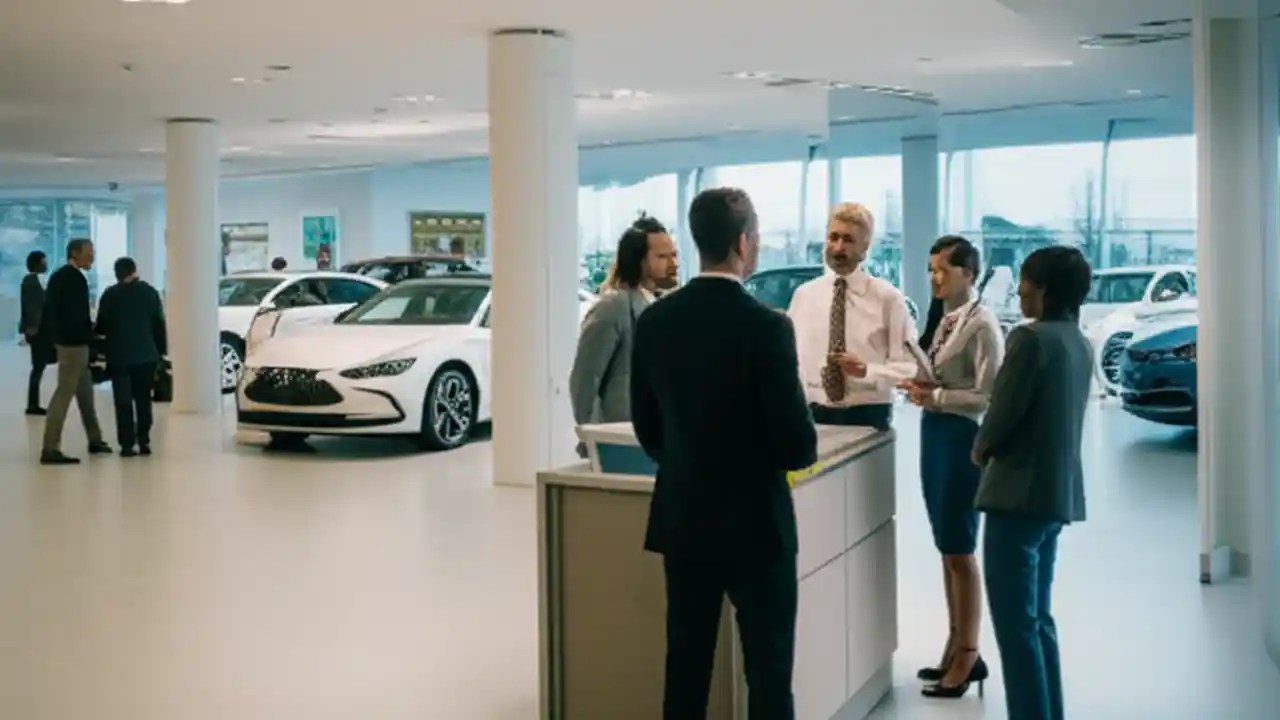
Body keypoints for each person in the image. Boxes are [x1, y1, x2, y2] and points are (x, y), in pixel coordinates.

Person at [630, 188, 817, 719]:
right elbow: (797, 446)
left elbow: (648, 427)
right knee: (769, 673)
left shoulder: (657, 322)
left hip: (684, 514)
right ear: (743, 242)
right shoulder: (767, 327)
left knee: (685, 666)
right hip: (758, 524)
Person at [972, 245, 1092, 720]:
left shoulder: (1029, 340)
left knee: (1015, 628)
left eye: (1025, 279)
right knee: (1038, 620)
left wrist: (980, 446)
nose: (1019, 288)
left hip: (1014, 499)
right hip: (1053, 498)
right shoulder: (1076, 340)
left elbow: (1002, 415)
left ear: (1043, 288)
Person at [899, 236, 1004, 698]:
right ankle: (955, 642)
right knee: (946, 546)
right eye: (931, 269)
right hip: (935, 433)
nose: (935, 278)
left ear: (969, 273)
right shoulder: (943, 319)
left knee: (960, 548)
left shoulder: (982, 325)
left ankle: (969, 653)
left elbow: (989, 395)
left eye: (944, 269)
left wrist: (936, 396)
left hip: (962, 437)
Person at [787, 202, 915, 431]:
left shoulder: (888, 299)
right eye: (833, 237)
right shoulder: (803, 296)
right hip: (812, 414)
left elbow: (908, 368)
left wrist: (866, 371)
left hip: (867, 415)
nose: (838, 247)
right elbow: (790, 359)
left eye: (848, 240)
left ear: (865, 249)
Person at [569, 216, 678, 439]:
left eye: (674, 255)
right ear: (640, 262)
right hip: (624, 444)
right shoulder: (613, 308)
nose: (673, 264)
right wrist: (598, 439)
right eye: (662, 257)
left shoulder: (664, 308)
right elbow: (584, 382)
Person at [40, 238, 110, 465]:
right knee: (64, 394)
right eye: (88, 253)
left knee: (85, 394)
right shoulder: (73, 279)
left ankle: (95, 439)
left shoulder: (61, 277)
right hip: (73, 345)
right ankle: (50, 448)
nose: (92, 257)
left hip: (71, 342)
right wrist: (91, 335)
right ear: (74, 253)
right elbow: (74, 315)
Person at [95, 257, 167, 457]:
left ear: (117, 273)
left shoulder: (110, 295)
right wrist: (160, 353)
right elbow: (158, 326)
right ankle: (144, 440)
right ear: (134, 270)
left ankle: (126, 444)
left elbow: (101, 326)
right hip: (146, 356)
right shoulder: (149, 292)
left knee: (123, 401)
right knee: (144, 400)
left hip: (119, 357)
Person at [20, 250, 52, 416]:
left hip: (43, 330)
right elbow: (30, 307)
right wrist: (31, 328)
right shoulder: (31, 281)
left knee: (39, 367)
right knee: (38, 367)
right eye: (44, 261)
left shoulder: (37, 280)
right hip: (39, 331)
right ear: (38, 263)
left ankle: (33, 403)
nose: (46, 264)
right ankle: (33, 404)